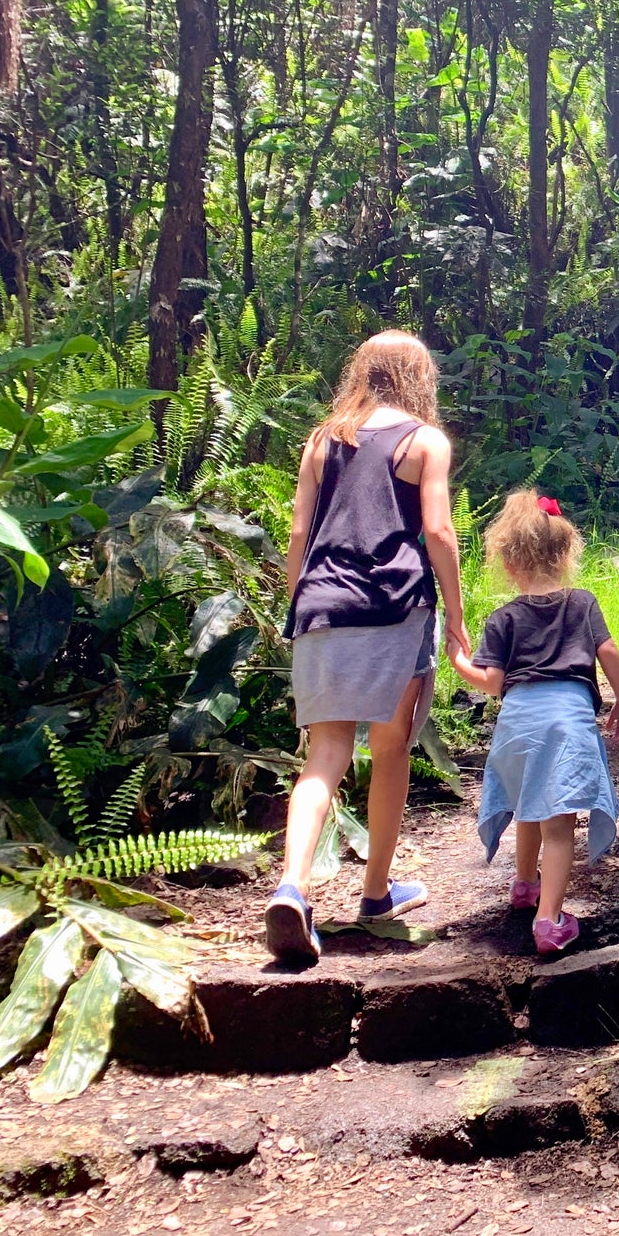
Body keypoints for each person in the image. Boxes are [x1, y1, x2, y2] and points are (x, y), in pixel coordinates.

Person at [264, 331, 469, 964]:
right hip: (395, 607)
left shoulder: (323, 440)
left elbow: (298, 534)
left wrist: (302, 606)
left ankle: (292, 887)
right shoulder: (424, 441)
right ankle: (376, 894)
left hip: (322, 605)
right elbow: (438, 530)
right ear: (419, 378)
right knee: (391, 749)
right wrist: (457, 616)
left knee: (324, 754)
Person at [448, 490, 619, 955]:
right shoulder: (582, 603)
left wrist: (457, 660)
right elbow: (608, 651)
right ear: (566, 553)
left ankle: (525, 884)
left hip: (517, 722)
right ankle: (549, 921)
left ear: (509, 563)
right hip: (565, 721)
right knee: (558, 825)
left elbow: (492, 683)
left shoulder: (503, 618)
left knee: (527, 800)